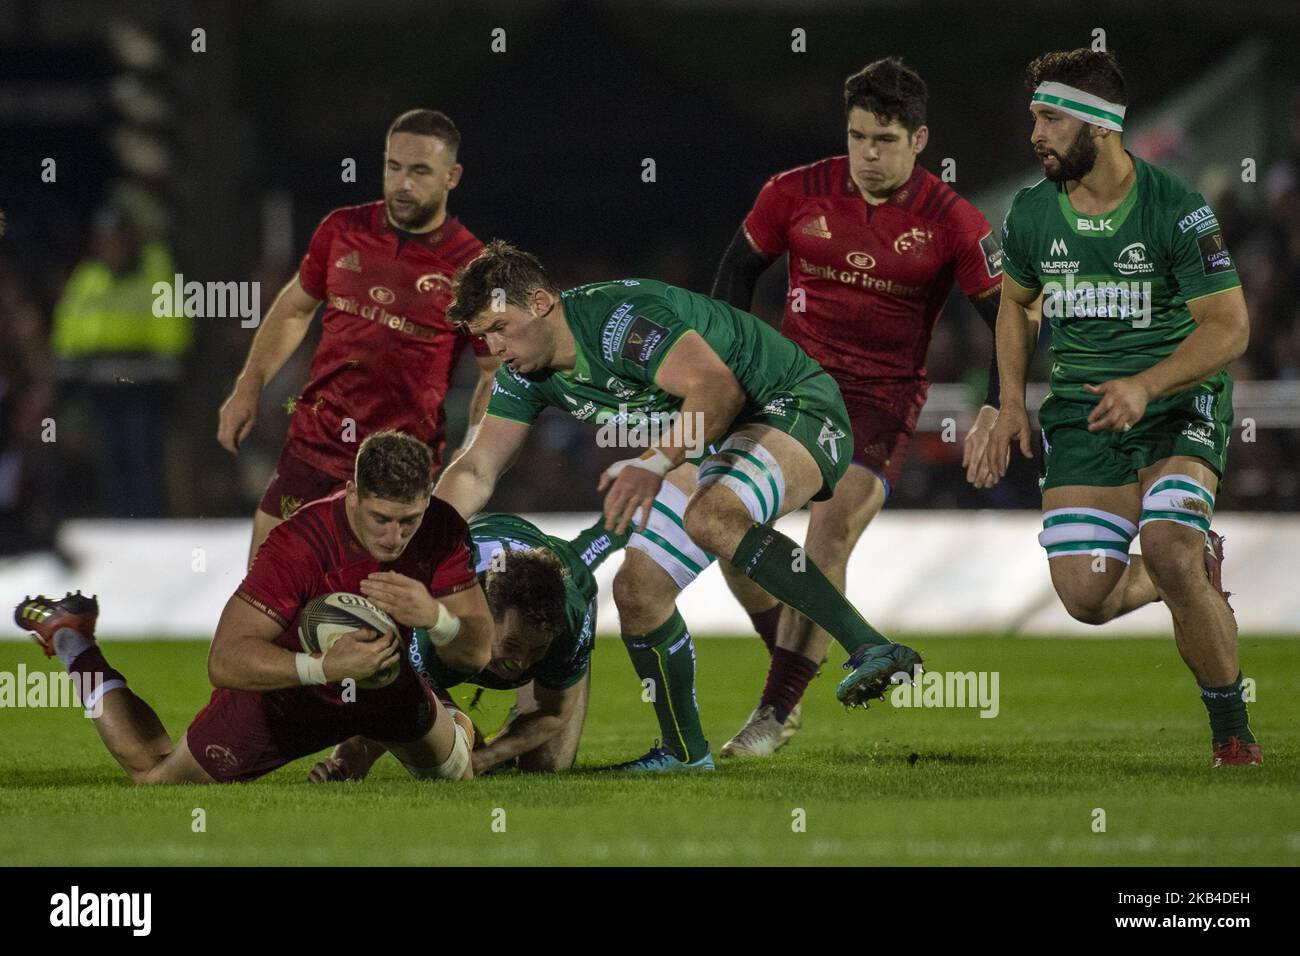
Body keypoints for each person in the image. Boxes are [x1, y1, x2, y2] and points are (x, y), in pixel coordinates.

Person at [436, 242, 923, 772]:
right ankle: (685, 753)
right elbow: (475, 468)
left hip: (795, 408)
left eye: (500, 326)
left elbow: (717, 388)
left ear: (540, 302)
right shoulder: (525, 375)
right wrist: (422, 545)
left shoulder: (618, 323)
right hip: (715, 438)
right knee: (638, 590)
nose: (493, 345)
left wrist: (654, 461)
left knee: (711, 516)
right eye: (482, 335)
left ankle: (873, 647)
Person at [709, 57, 1005, 757]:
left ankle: (775, 711)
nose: (869, 154)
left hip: (879, 405)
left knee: (829, 534)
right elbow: (736, 272)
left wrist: (996, 406)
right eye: (859, 136)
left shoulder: (954, 221)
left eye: (886, 140)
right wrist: (728, 373)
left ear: (920, 138)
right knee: (725, 531)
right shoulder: (793, 192)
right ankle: (795, 660)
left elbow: (1009, 319)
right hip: (792, 388)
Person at [979, 48, 1259, 767]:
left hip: (1176, 403)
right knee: (1086, 599)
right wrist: (1009, 403)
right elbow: (1016, 305)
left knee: (1166, 544)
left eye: (1049, 118)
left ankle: (1232, 735)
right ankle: (1192, 572)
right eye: (1033, 117)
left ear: (1100, 126)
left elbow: (1229, 328)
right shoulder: (1033, 212)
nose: (1034, 134)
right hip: (1082, 413)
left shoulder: (1176, 207)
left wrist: (1145, 385)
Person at [13, 430, 493, 783]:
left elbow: (476, 652)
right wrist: (323, 666)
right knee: (155, 776)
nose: (394, 537)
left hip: (385, 684)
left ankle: (399, 733)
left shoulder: (441, 529)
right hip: (287, 698)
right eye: (381, 519)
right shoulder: (300, 542)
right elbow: (224, 661)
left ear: (427, 503)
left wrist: (437, 618)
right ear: (351, 495)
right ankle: (73, 640)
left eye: (408, 520)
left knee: (458, 779)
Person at [217, 109, 498, 563]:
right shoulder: (342, 230)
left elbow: (493, 373)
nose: (403, 183)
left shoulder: (472, 266)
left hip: (398, 474)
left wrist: (471, 459)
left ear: (452, 176)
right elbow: (294, 309)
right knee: (262, 598)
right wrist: (249, 385)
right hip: (311, 450)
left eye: (420, 171)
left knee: (375, 617)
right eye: (394, 167)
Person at [309, 513, 628, 780]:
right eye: (513, 644)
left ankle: (515, 717)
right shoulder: (428, 627)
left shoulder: (570, 617)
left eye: (537, 651)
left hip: (552, 565)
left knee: (545, 767)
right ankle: (480, 736)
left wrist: (483, 759)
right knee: (413, 710)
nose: (520, 663)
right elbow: (383, 714)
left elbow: (553, 713)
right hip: (458, 618)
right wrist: (343, 765)